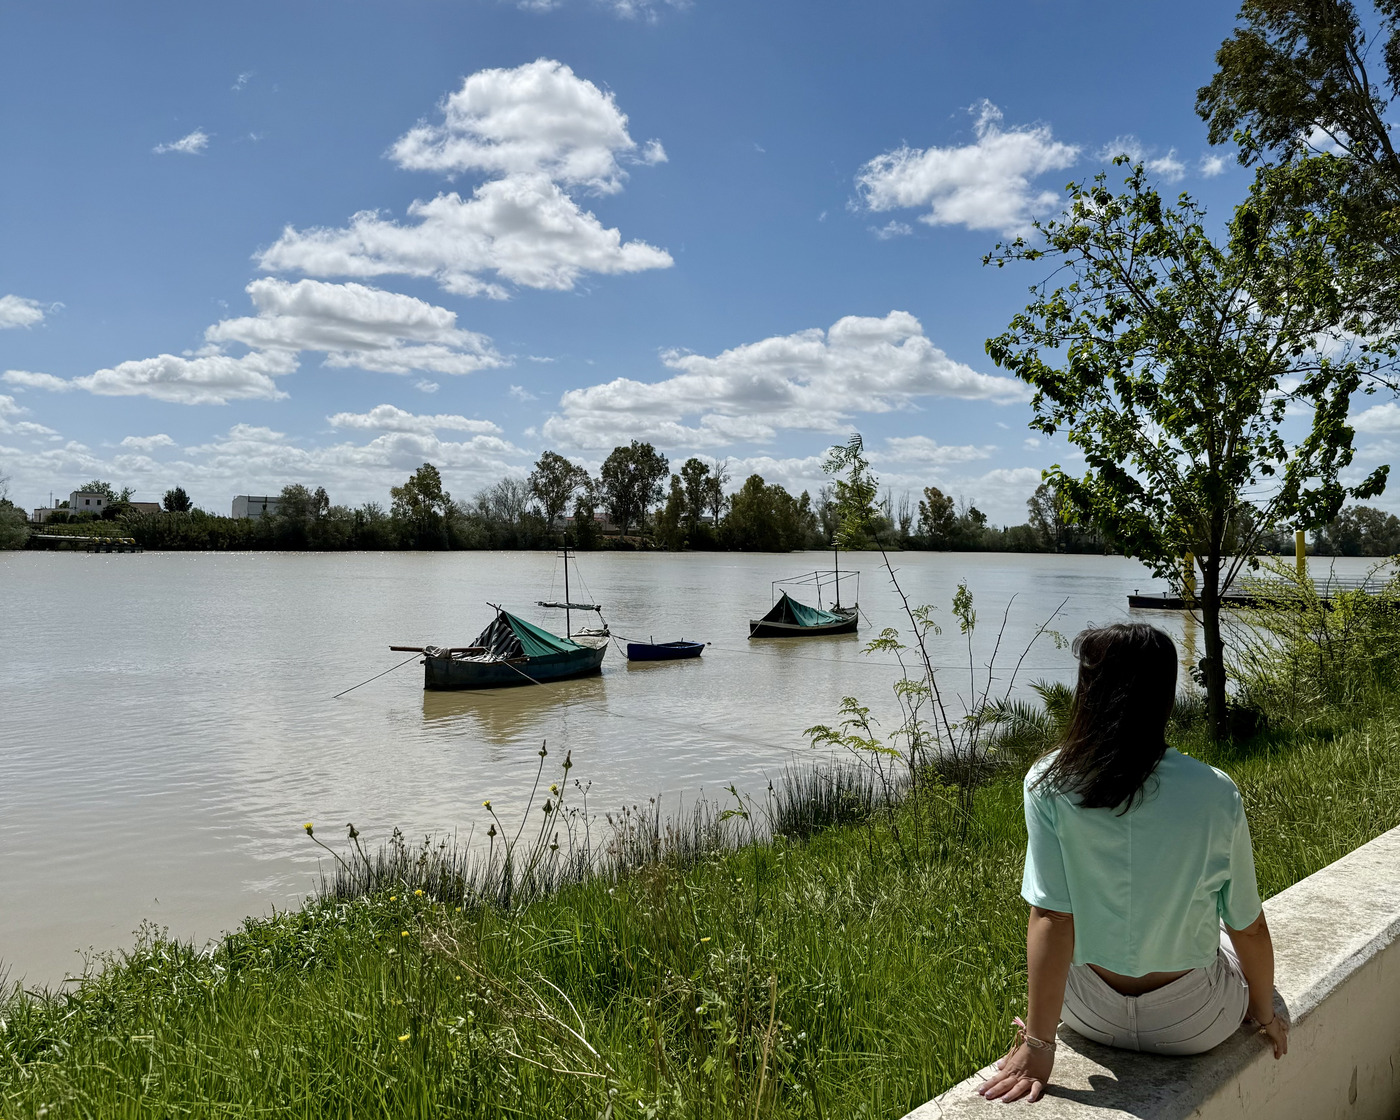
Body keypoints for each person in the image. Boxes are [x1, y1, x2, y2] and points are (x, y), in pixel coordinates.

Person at [978, 623, 1289, 1105]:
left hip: (1088, 1015)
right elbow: (1247, 926)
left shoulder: (1047, 781)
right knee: (1225, 937)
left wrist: (1039, 1046)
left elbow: (1052, 917)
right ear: (1165, 695)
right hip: (1196, 1023)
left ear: (1086, 693)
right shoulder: (1214, 790)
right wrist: (1265, 1015)